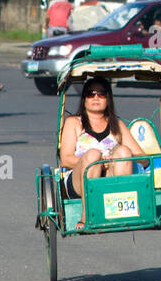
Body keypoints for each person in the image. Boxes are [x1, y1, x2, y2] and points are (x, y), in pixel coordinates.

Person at [59, 77, 146, 205]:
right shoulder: (73, 123)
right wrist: (97, 162)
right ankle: (87, 213)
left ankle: (121, 210)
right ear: (84, 98)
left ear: (108, 98)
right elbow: (66, 160)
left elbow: (143, 158)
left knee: (123, 152)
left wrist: (115, 160)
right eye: (90, 94)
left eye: (101, 94)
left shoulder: (117, 124)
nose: (96, 98)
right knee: (93, 155)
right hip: (80, 178)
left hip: (111, 177)